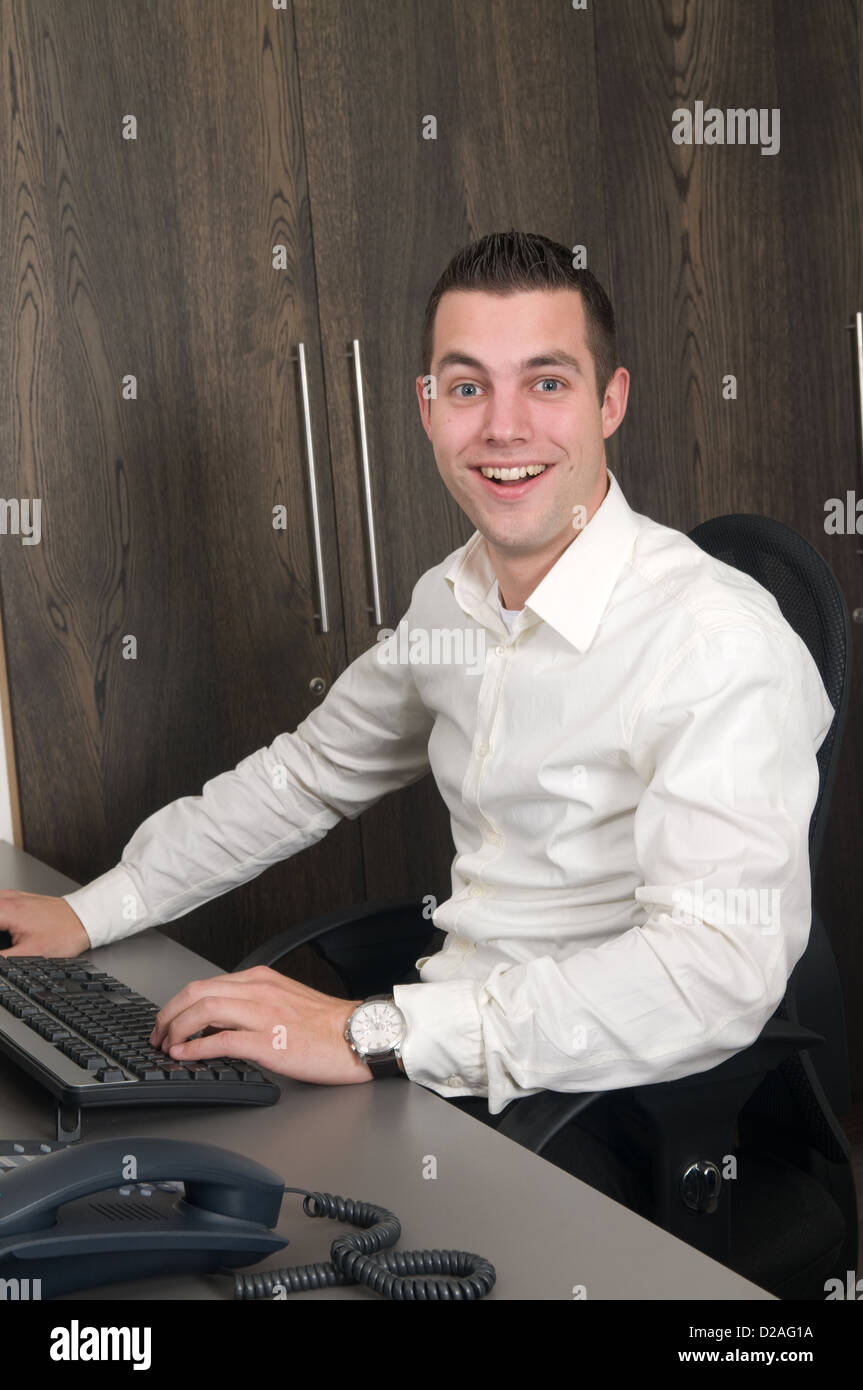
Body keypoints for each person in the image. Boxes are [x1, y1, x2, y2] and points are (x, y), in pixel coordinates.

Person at [0, 230, 835, 1215]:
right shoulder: (454, 599)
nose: (504, 426)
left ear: (609, 400)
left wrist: (373, 1030)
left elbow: (712, 970)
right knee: (137, 1188)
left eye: (547, 383)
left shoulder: (715, 640)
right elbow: (308, 773)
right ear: (427, 408)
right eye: (467, 386)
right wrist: (93, 909)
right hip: (442, 1058)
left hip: (600, 1104)